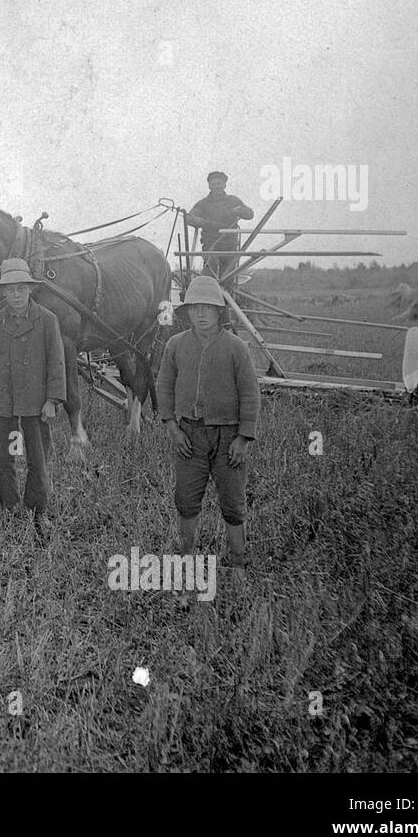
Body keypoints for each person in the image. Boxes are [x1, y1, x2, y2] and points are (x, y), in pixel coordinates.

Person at [155, 275, 261, 583]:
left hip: (228, 438)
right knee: (186, 499)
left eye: (208, 308)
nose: (201, 314)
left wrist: (243, 438)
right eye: (194, 308)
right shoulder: (176, 345)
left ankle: (239, 563)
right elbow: (164, 387)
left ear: (219, 311)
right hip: (189, 436)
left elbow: (250, 394)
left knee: (233, 502)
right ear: (186, 311)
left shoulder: (236, 348)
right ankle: (187, 555)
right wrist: (173, 428)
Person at [0, 258, 66, 535]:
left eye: (21, 289)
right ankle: (11, 509)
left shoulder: (48, 321)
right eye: (10, 290)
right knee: (3, 461)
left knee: (37, 460)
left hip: (36, 409)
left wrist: (53, 400)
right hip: (6, 408)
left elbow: (56, 363)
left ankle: (38, 512)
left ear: (30, 289)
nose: (15, 295)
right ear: (2, 292)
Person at [187, 171, 254, 283]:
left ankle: (226, 298)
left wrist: (239, 211)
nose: (216, 187)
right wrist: (201, 222)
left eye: (219, 183)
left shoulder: (233, 201)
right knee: (209, 275)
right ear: (209, 186)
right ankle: (207, 297)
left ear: (224, 185)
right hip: (211, 244)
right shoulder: (203, 204)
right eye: (213, 184)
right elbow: (189, 218)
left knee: (228, 277)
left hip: (230, 245)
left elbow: (250, 214)